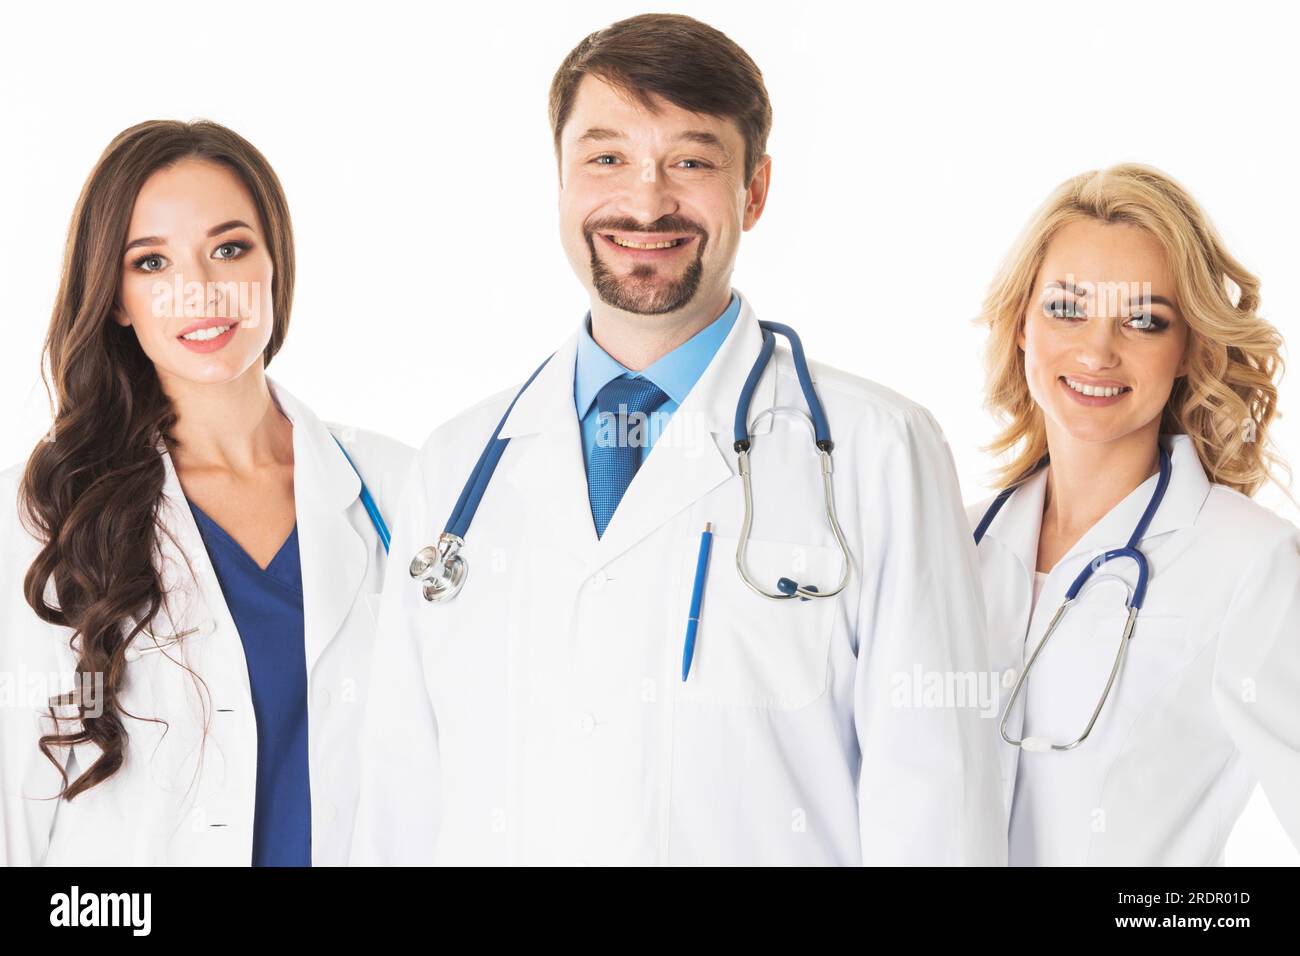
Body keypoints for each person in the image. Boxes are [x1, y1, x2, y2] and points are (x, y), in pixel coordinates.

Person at [350, 13, 1004, 866]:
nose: (647, 201)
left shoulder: (880, 451)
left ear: (755, 191)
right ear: (561, 180)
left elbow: (937, 809)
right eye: (607, 158)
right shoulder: (459, 465)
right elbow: (401, 806)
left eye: (692, 161)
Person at [0, 120, 413, 866]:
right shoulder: (43, 515)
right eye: (152, 262)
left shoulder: (402, 491)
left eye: (229, 249)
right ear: (117, 298)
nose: (199, 291)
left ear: (275, 263)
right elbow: (14, 816)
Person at [969, 162, 1300, 865]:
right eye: (1067, 308)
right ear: (1022, 323)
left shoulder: (1249, 565)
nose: (1097, 350)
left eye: (1144, 320)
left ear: (1188, 350)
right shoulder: (950, 543)